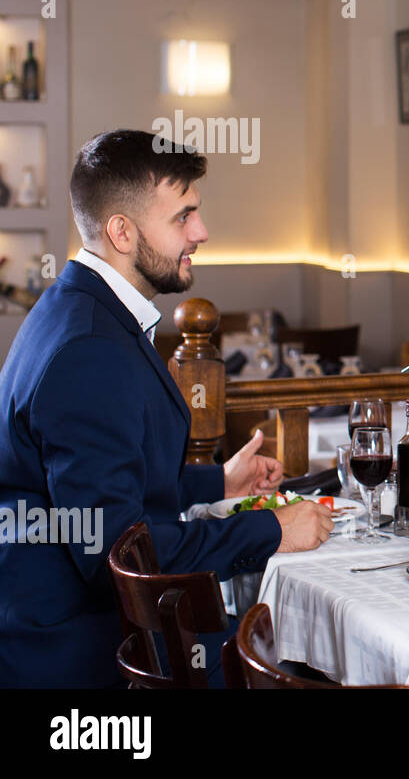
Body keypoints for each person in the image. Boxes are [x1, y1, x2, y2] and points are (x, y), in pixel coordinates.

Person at [0, 129, 334, 689]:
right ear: (121, 231)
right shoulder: (89, 348)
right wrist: (270, 530)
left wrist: (214, 483)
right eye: (184, 217)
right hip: (75, 650)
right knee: (299, 661)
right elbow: (114, 550)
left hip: (84, 623)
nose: (201, 232)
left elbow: (99, 484)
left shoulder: (79, 305)